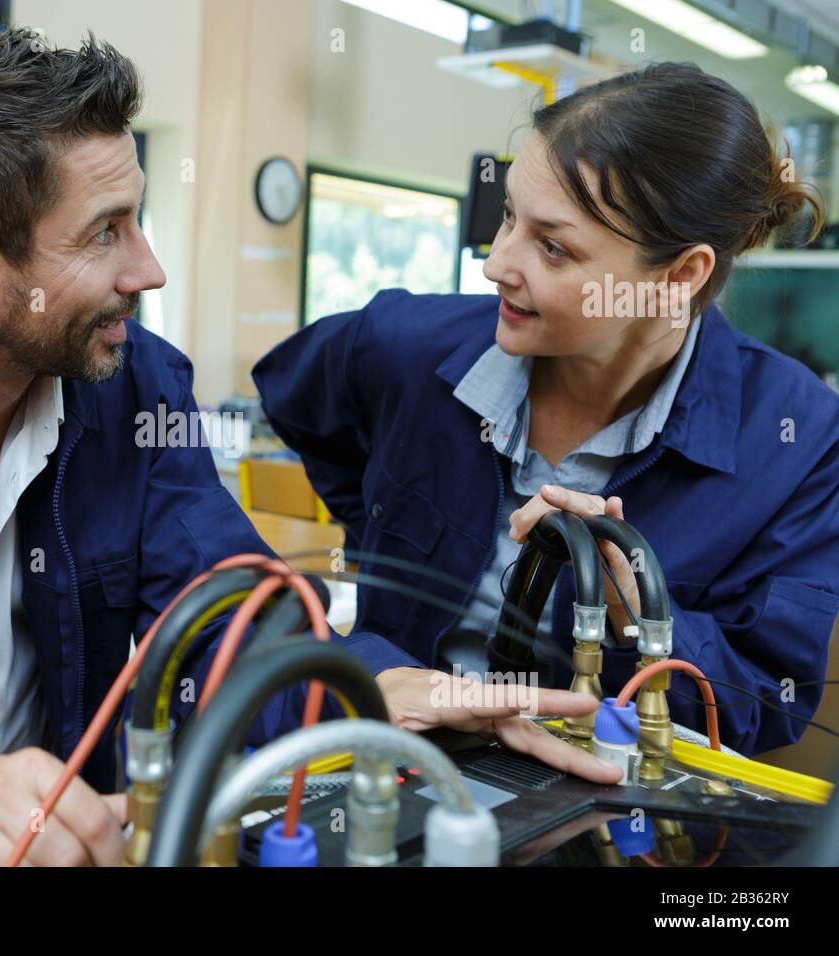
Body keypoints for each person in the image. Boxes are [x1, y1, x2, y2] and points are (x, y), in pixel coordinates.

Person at [0, 24, 616, 869]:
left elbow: (227, 604)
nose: (151, 267)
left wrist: (363, 683)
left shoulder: (135, 389)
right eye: (106, 232)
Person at [254, 62, 839, 757]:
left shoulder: (796, 436)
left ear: (680, 277)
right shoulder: (399, 345)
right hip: (392, 767)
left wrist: (637, 615)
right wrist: (374, 516)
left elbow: (768, 706)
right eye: (508, 217)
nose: (497, 263)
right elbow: (294, 400)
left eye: (553, 247)